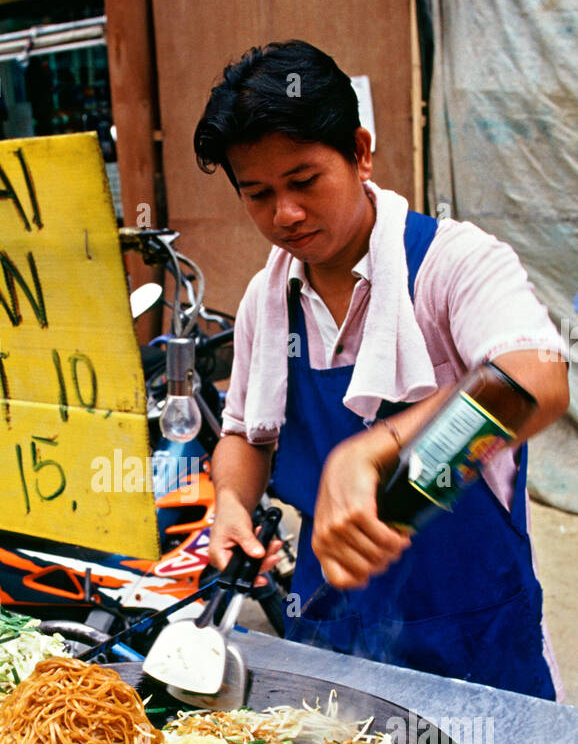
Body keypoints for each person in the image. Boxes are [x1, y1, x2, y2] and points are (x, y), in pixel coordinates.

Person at [194, 40, 569, 699]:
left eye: (304, 182)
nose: (285, 213)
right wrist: (230, 503)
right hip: (333, 637)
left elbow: (535, 380)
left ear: (360, 152)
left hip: (475, 638)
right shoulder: (268, 301)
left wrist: (375, 448)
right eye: (258, 194)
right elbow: (244, 436)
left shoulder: (450, 265)